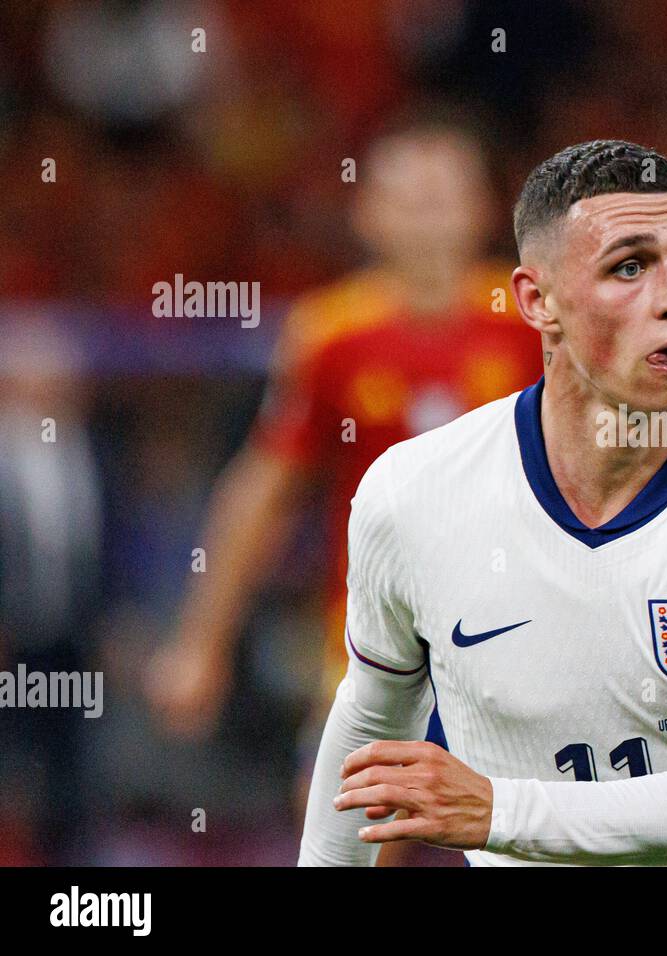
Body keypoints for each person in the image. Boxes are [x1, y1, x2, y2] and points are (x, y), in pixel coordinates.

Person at [299, 140, 667, 866]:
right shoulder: (410, 495)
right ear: (538, 302)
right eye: (630, 266)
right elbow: (370, 723)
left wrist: (501, 809)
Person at [145, 120, 538, 747]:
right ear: (369, 215)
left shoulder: (535, 320)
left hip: (525, 636)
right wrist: (200, 643)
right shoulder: (330, 334)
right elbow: (262, 490)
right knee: (341, 829)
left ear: (484, 209)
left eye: (443, 198)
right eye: (409, 201)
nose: (427, 219)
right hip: (372, 638)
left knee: (527, 835)